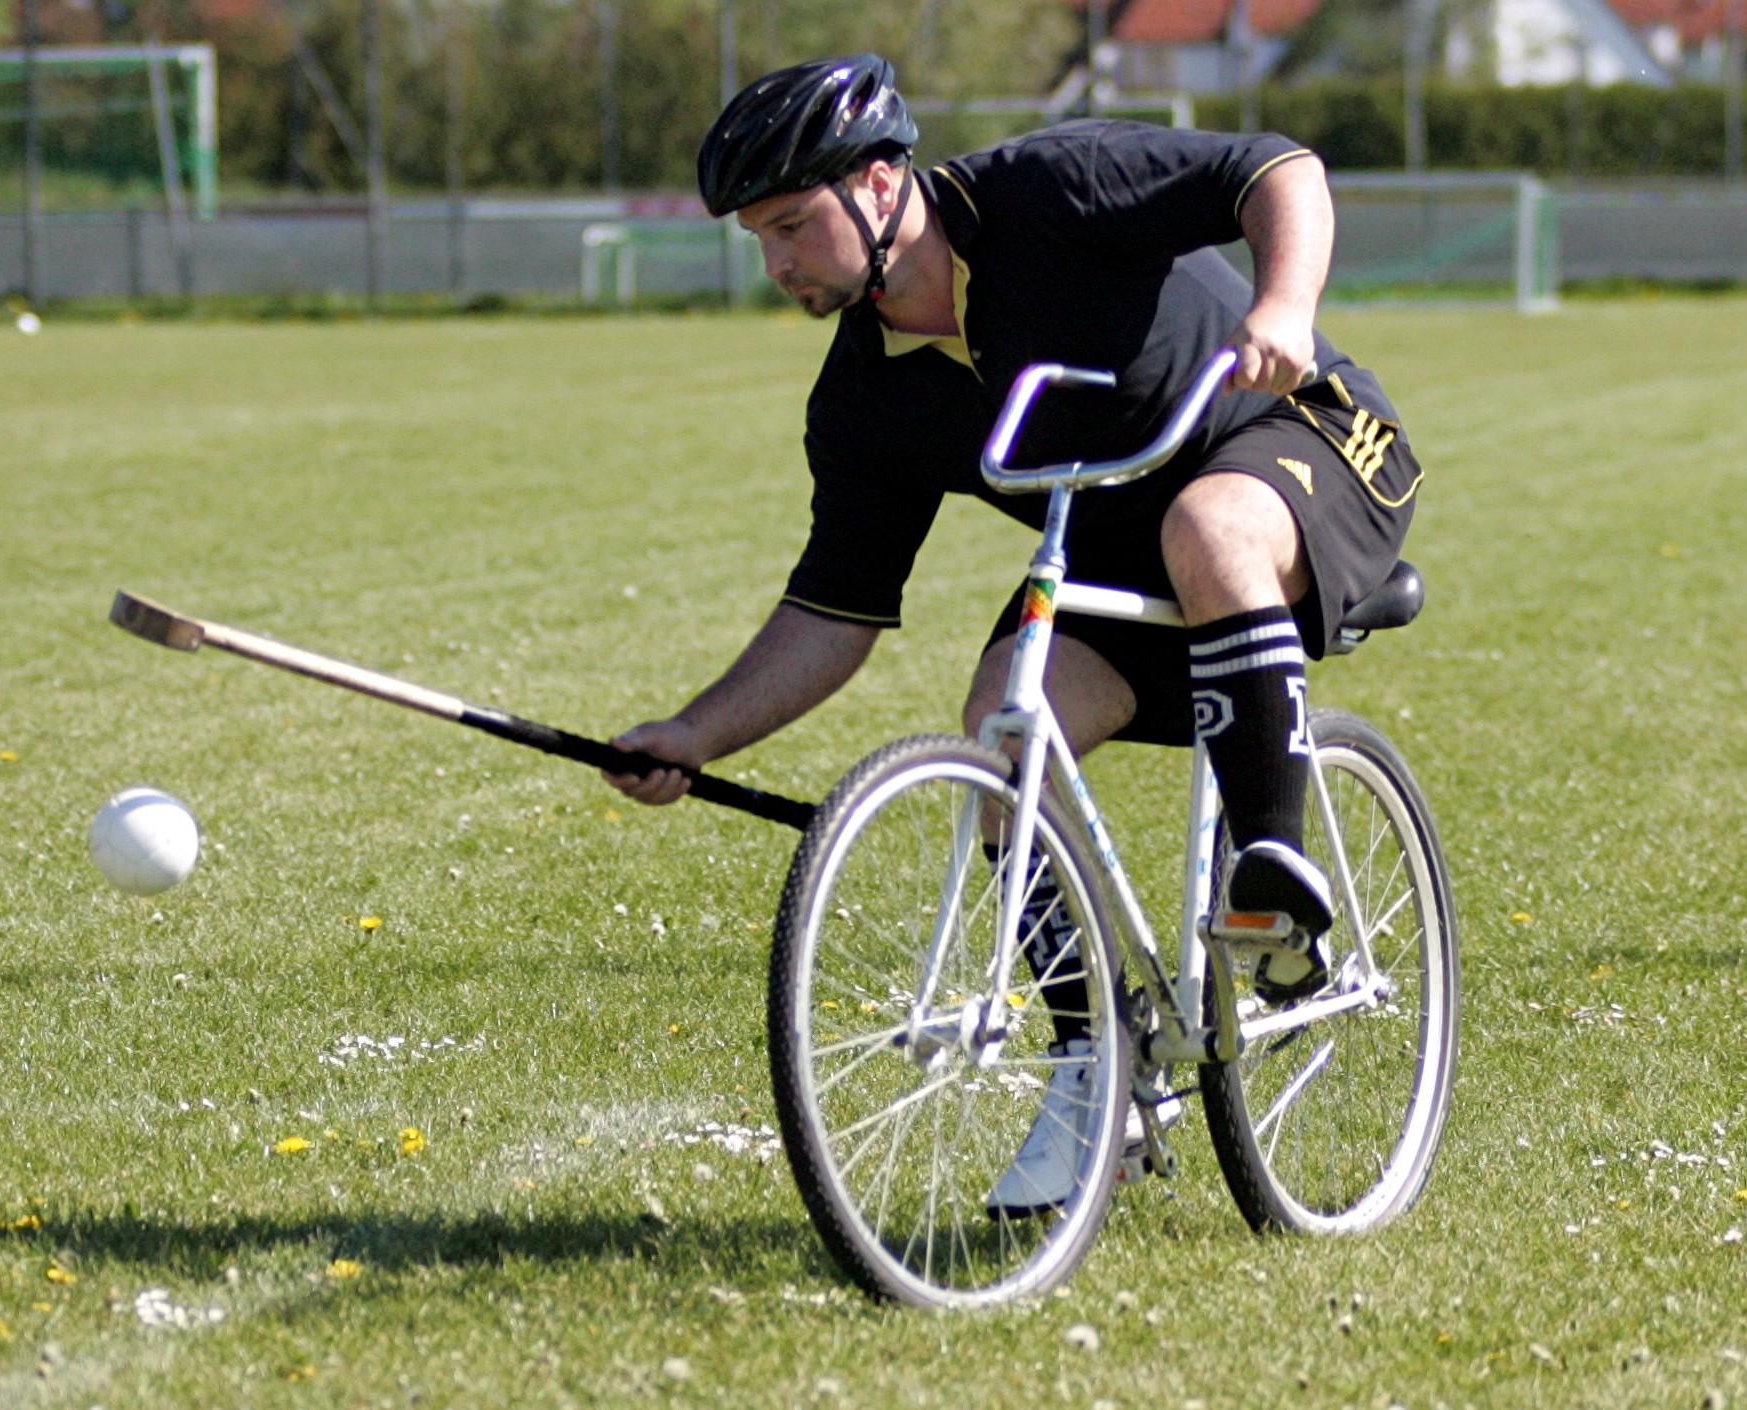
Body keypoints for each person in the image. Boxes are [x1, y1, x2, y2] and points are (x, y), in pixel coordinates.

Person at [604, 54, 1425, 1216]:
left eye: (792, 225)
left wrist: (1281, 307)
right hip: (1121, 534)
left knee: (1209, 524)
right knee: (1003, 726)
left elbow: (1277, 171)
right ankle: (1096, 1065)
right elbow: (833, 613)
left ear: (881, 187)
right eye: (759, 239)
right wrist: (693, 734)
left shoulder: (1054, 186)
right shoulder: (866, 396)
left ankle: (1270, 880)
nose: (778, 264)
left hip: (1309, 441)